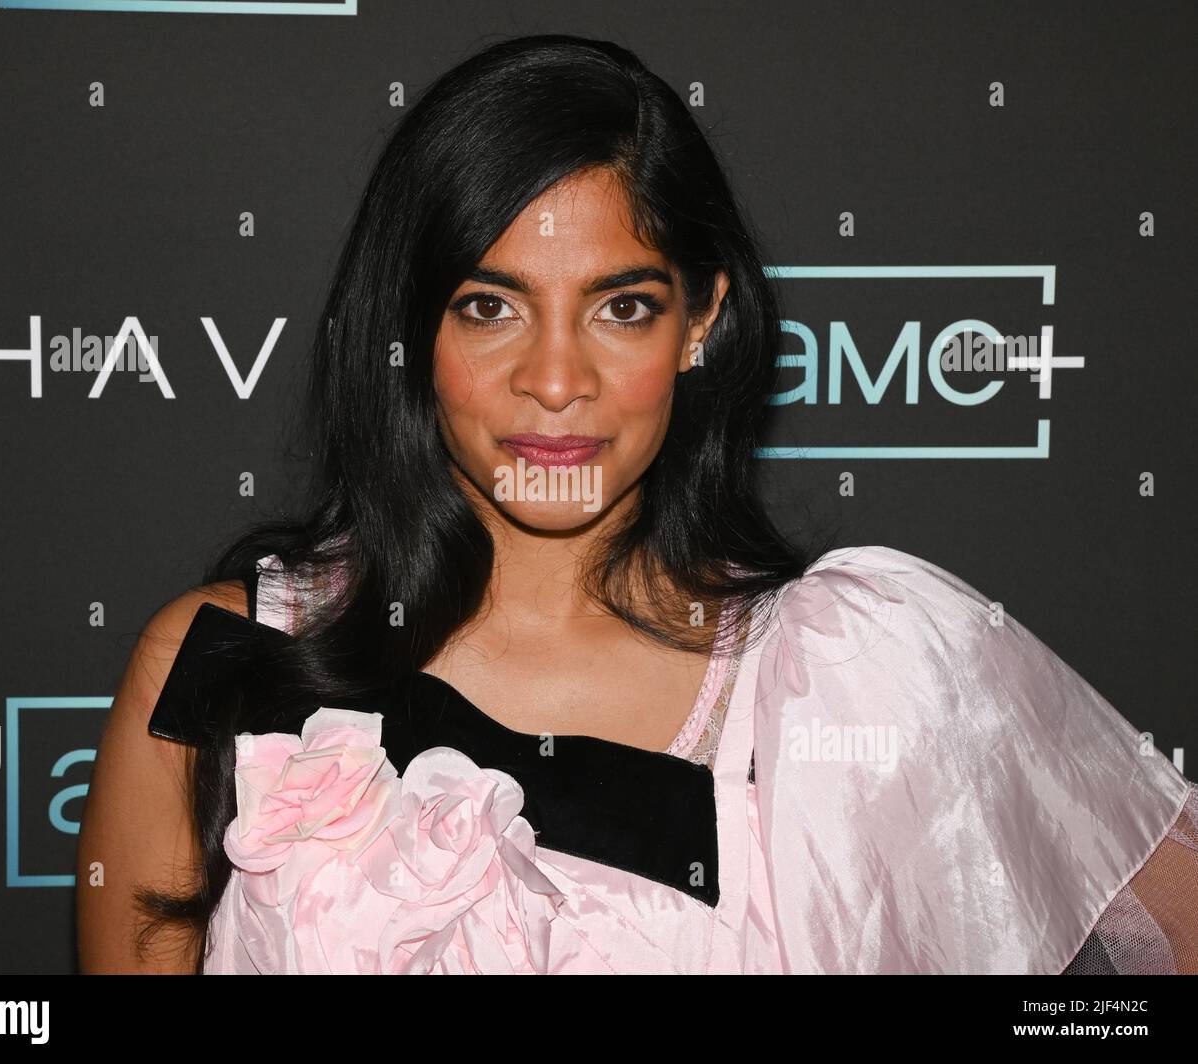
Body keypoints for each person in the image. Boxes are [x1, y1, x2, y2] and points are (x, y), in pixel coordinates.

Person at [75, 34, 1197, 975]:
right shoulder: (222, 657)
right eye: (488, 306)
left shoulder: (860, 668)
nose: (556, 380)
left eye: (619, 305)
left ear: (700, 317)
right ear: (409, 331)